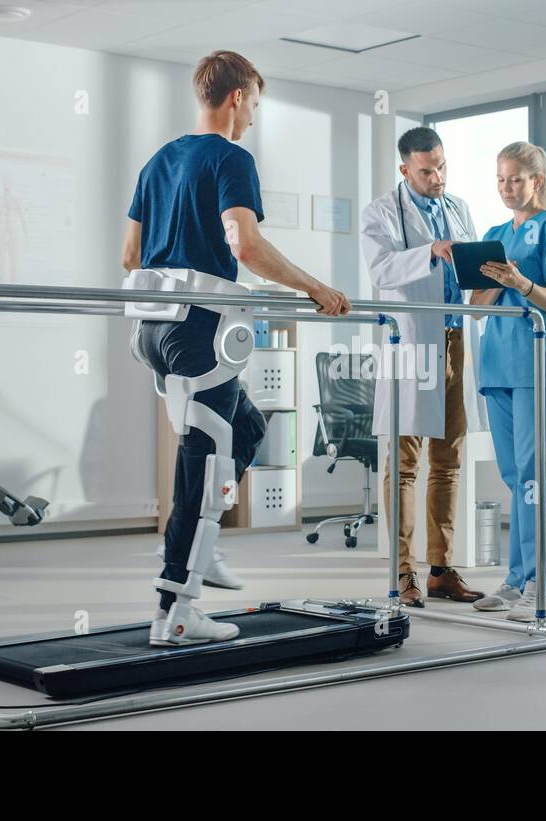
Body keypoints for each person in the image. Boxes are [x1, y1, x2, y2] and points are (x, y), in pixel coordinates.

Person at [121, 50, 351, 644]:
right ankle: (176, 608)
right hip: (199, 329)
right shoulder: (231, 157)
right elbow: (245, 246)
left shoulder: (159, 161)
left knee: (243, 431)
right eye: (253, 104)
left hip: (154, 328)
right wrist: (315, 287)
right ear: (236, 97)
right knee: (206, 460)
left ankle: (201, 540)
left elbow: (130, 256)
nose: (252, 117)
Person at [360, 127, 485, 607]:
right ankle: (403, 571)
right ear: (405, 169)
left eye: (442, 166)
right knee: (405, 461)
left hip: (455, 339)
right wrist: (429, 253)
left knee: (449, 459)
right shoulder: (382, 212)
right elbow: (381, 270)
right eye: (427, 170)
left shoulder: (459, 209)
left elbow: (469, 268)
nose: (438, 177)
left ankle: (441, 569)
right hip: (411, 342)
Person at [469, 141, 546, 621]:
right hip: (498, 367)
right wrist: (494, 282)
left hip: (538, 364)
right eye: (500, 179)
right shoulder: (493, 234)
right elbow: (474, 308)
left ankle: (542, 585)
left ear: (538, 181)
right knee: (516, 478)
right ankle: (515, 581)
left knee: (537, 477)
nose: (507, 188)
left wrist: (521, 284)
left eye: (516, 179)